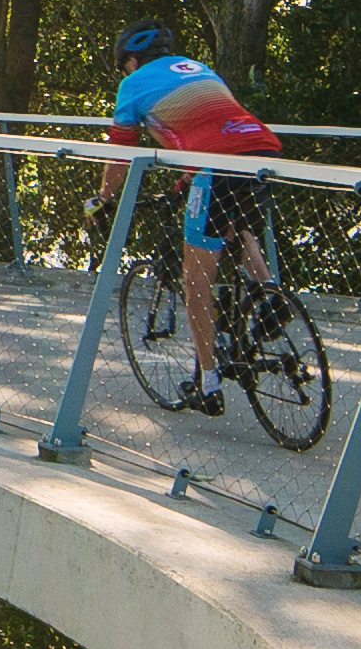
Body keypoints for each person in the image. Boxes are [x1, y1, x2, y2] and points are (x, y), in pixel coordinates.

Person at [107, 22, 287, 413]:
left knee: (196, 281)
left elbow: (121, 153)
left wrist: (103, 198)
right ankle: (270, 296)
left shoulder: (133, 84)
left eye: (124, 67)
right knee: (237, 226)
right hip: (263, 150)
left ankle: (208, 383)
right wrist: (187, 177)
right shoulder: (199, 68)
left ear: (132, 61)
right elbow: (213, 128)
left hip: (216, 164)